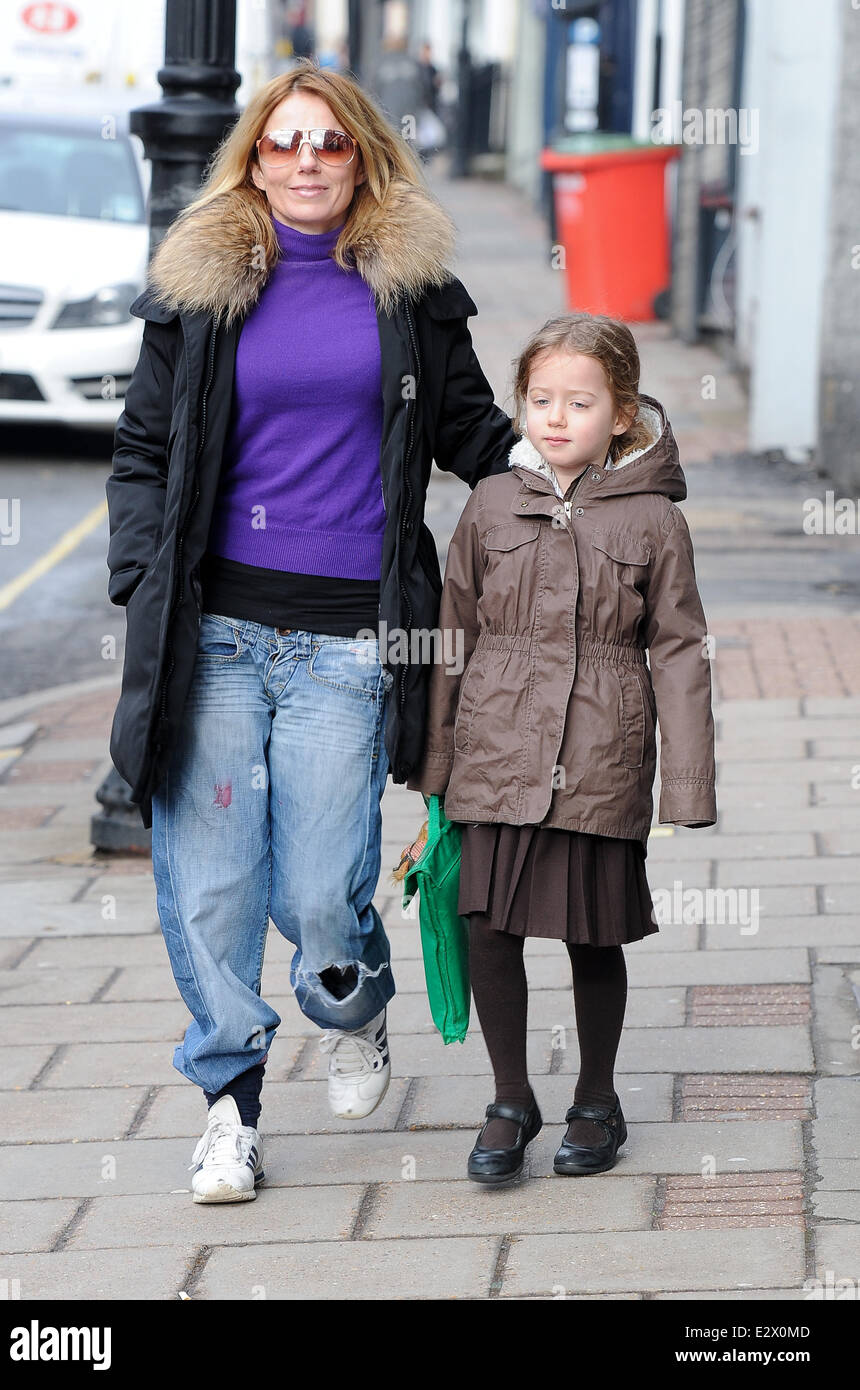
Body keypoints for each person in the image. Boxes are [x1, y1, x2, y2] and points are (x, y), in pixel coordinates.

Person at [104, 58, 519, 1203]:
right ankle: (229, 1111)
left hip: (349, 643)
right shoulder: (199, 288)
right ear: (252, 159)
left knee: (322, 894)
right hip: (216, 636)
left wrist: (573, 459)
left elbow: (472, 432)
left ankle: (353, 1003)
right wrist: (140, 578)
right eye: (283, 141)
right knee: (213, 889)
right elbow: (143, 450)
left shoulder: (410, 290)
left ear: (363, 157)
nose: (305, 161)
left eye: (329, 142)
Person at [406, 313, 717, 1184]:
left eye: (579, 402)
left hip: (598, 757)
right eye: (540, 399)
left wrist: (687, 785)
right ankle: (511, 1100)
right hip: (495, 752)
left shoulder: (655, 519)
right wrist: (435, 767)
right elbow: (452, 634)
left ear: (621, 413)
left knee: (593, 933)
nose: (555, 417)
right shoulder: (491, 502)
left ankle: (596, 1099)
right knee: (485, 924)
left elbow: (681, 649)